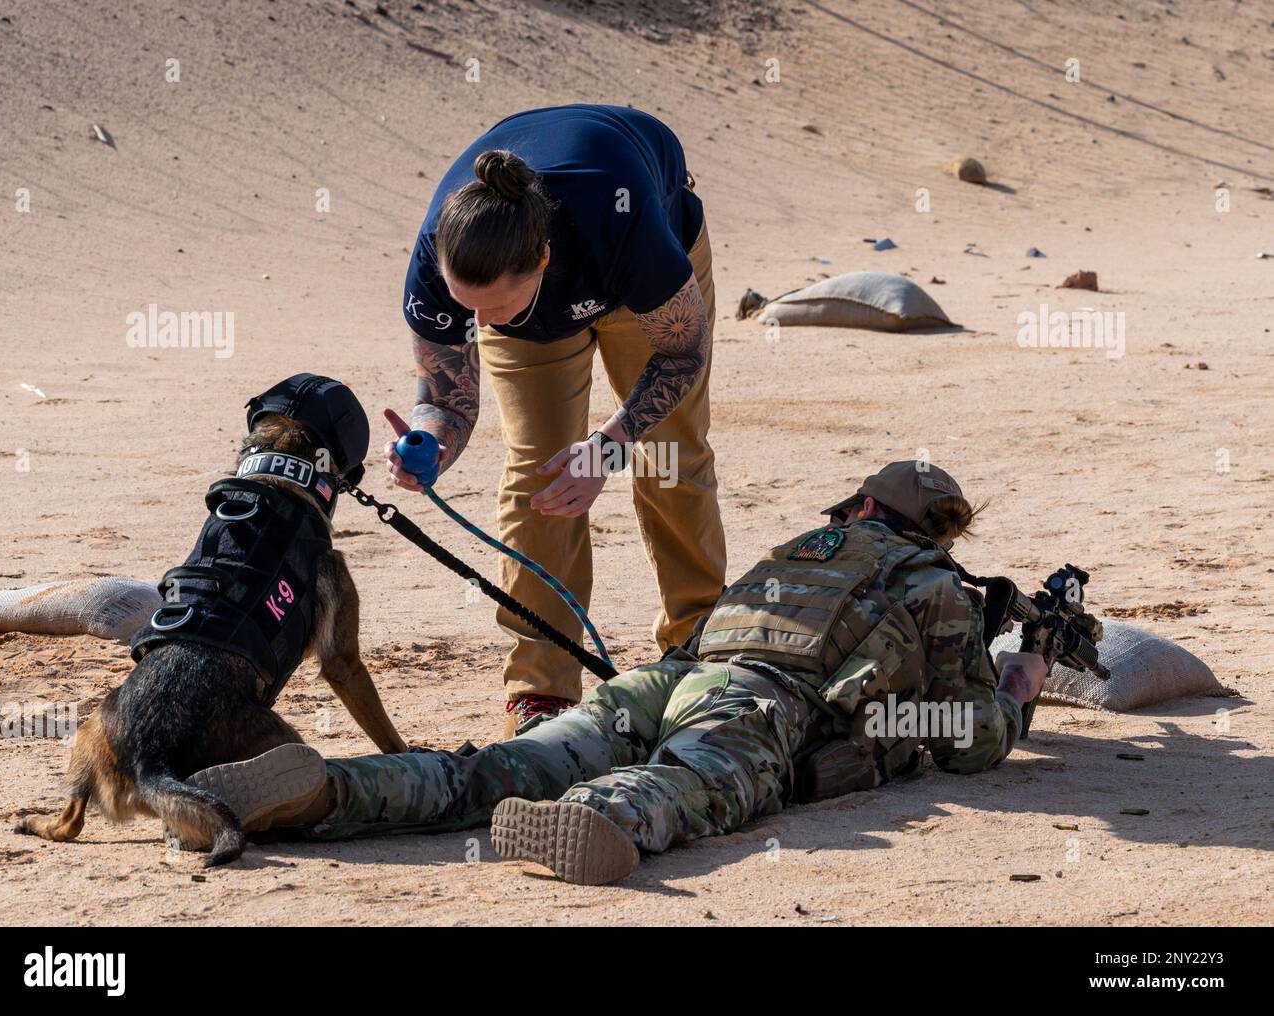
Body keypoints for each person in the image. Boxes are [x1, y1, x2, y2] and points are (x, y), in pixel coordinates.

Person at [187, 461, 1050, 885]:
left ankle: (328, 793)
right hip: (752, 704)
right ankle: (605, 816)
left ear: (861, 506)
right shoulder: (931, 583)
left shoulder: (800, 548)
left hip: (656, 682)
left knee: (496, 768)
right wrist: (1017, 692)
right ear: (934, 532)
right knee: (691, 783)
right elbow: (965, 739)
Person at [385, 104, 726, 737]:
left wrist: (606, 449)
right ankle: (542, 686)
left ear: (542, 260)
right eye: (467, 308)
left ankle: (698, 644)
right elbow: (448, 394)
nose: (478, 327)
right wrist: (427, 441)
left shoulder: (624, 228)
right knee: (538, 471)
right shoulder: (441, 261)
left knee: (670, 455)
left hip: (635, 284)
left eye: (492, 308)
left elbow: (682, 354)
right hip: (541, 308)